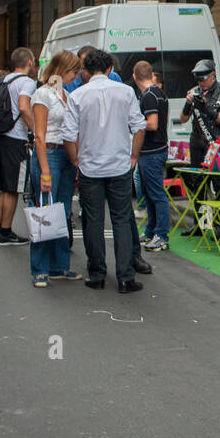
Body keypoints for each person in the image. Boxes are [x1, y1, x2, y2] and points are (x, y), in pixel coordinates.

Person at [63, 49, 145, 292]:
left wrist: (75, 161)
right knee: (121, 220)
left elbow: (68, 135)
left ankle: (96, 274)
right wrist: (133, 156)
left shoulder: (77, 95)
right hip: (119, 165)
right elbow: (139, 127)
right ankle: (125, 277)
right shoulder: (126, 91)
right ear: (109, 69)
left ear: (86, 71)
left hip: (90, 167)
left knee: (93, 221)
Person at [29, 50, 84, 287]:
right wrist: (44, 171)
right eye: (74, 71)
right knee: (45, 211)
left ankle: (59, 265)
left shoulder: (65, 94)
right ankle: (40, 268)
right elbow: (39, 136)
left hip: (64, 154)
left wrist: (76, 161)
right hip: (49, 153)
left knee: (61, 212)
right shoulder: (43, 94)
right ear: (63, 70)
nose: (76, 75)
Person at [177, 58, 220, 234]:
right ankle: (201, 224)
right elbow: (183, 119)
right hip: (197, 142)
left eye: (203, 79)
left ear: (213, 75)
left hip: (215, 143)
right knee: (197, 183)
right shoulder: (194, 92)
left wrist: (206, 109)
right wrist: (188, 104)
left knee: (218, 183)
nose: (201, 83)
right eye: (198, 80)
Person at [0, 48, 36, 246]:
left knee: (3, 187)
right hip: (16, 138)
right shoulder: (27, 82)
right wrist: (35, 130)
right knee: (13, 188)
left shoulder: (2, 80)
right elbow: (24, 106)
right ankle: (6, 233)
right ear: (30, 62)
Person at [133, 60, 170, 253]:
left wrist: (134, 121)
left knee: (156, 194)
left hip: (152, 150)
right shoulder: (159, 93)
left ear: (134, 77)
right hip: (158, 147)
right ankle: (151, 231)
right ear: (151, 75)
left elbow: (153, 123)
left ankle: (161, 235)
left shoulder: (147, 96)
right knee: (150, 193)